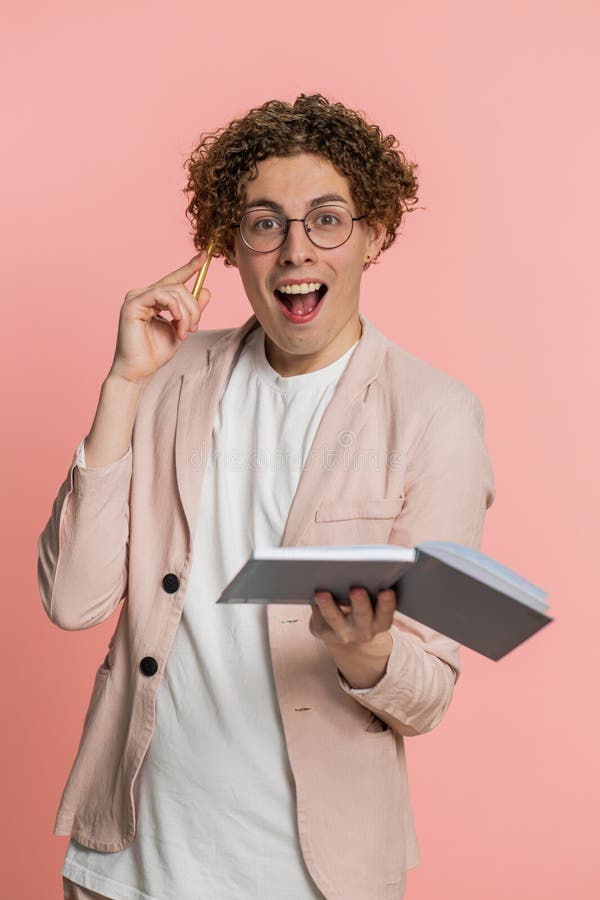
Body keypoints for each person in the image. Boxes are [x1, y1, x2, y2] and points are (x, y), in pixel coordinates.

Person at [38, 93, 495, 900]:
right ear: (231, 244)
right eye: (263, 222)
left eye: (326, 219)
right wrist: (122, 385)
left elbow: (427, 695)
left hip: (313, 876)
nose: (294, 251)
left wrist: (366, 655)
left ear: (374, 233)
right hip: (127, 865)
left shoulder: (435, 413)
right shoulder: (169, 376)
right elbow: (74, 601)